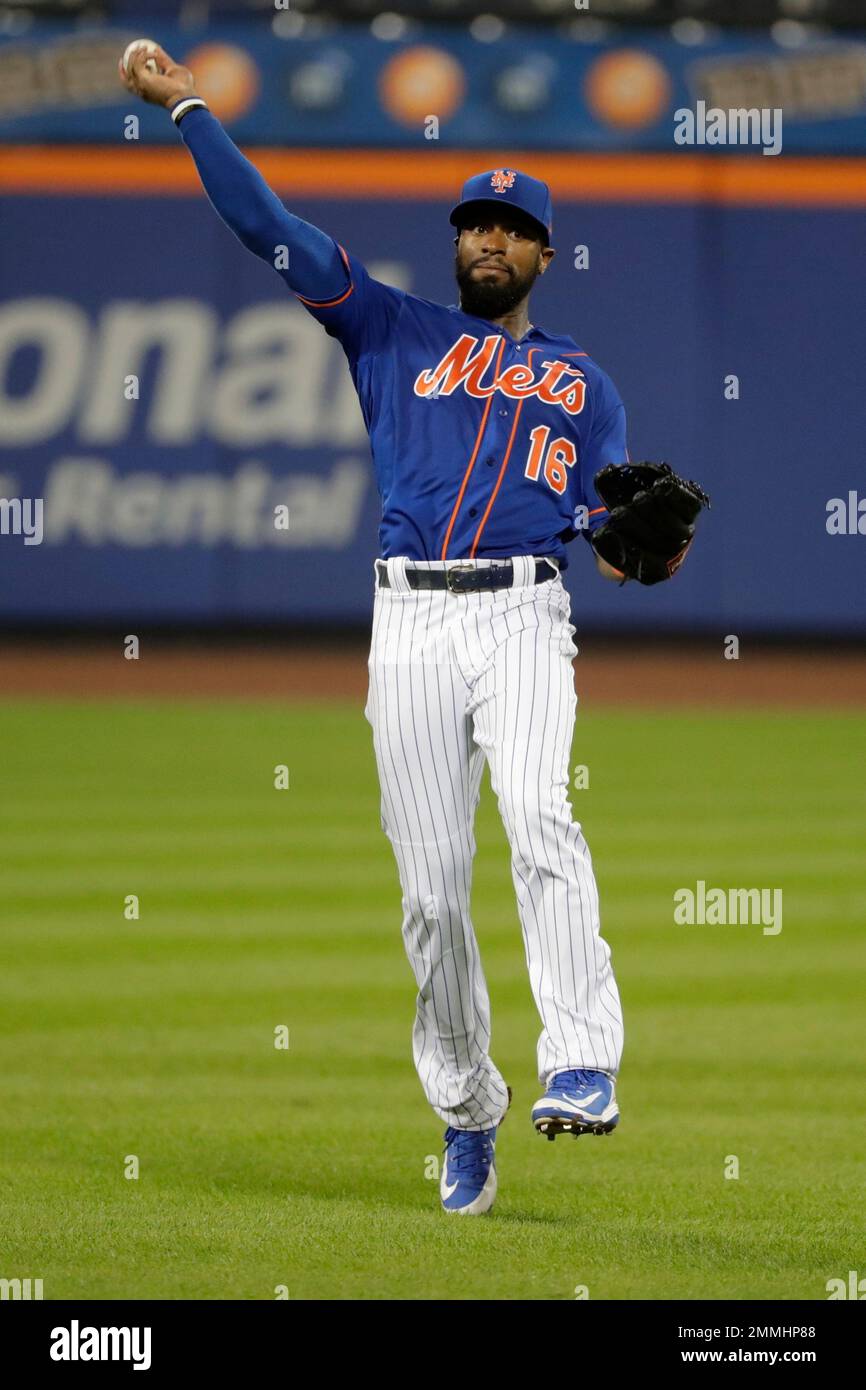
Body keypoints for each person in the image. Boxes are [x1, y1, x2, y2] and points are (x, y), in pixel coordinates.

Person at [121, 44, 639, 1219]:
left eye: (510, 227)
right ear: (456, 243)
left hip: (521, 613)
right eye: (474, 225)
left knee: (543, 814)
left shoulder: (585, 387)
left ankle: (580, 1056)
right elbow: (265, 226)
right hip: (407, 619)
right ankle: (466, 1111)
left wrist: (640, 547)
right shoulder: (385, 326)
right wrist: (188, 107)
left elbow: (616, 538)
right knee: (430, 894)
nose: (489, 241)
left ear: (543, 254)